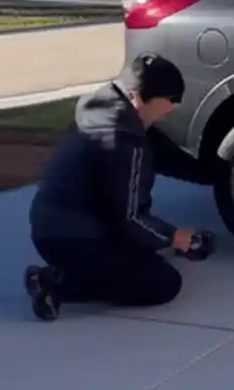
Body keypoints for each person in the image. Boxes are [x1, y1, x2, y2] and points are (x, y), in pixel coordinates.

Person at [24, 52, 215, 321]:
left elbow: (165, 157)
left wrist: (216, 174)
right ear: (138, 97)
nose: (172, 107)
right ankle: (51, 281)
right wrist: (177, 238)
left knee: (145, 247)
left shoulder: (103, 106)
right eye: (169, 100)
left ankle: (77, 268)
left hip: (52, 223)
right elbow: (129, 219)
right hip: (73, 237)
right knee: (163, 283)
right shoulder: (125, 140)